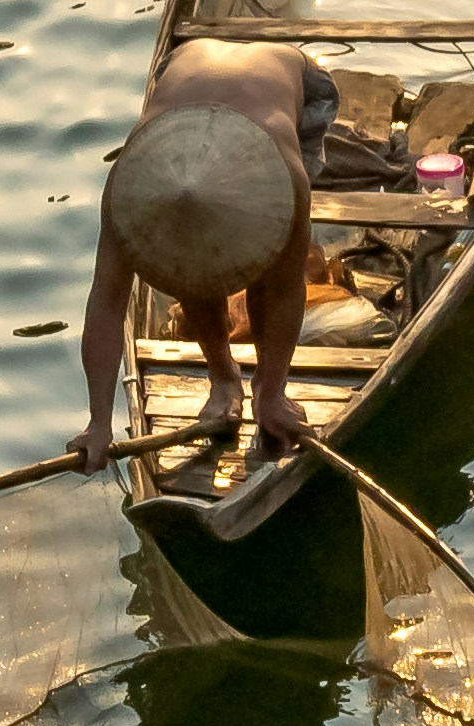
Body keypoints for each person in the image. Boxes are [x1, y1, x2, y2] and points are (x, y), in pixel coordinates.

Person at [91, 48, 322, 465]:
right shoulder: (125, 188)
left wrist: (272, 394)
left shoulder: (286, 175)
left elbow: (287, 291)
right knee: (191, 265)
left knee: (269, 275)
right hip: (184, 64)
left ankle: (265, 391)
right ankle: (223, 376)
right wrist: (98, 424)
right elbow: (107, 305)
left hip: (292, 74)